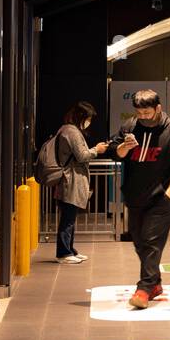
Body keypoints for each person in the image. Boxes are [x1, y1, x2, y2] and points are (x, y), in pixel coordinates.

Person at [102, 90, 170, 309]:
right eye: (139, 112)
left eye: (147, 112)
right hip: (134, 196)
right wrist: (123, 147)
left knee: (151, 242)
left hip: (160, 198)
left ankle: (143, 289)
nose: (143, 116)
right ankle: (156, 284)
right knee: (140, 242)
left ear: (158, 108)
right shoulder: (129, 128)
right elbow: (114, 152)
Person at [53, 101, 108, 264]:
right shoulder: (72, 132)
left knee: (70, 217)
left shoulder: (67, 129)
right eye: (88, 118)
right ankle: (63, 253)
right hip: (71, 181)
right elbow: (82, 156)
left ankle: (70, 250)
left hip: (70, 180)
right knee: (68, 218)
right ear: (81, 117)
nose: (89, 122)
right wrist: (96, 150)